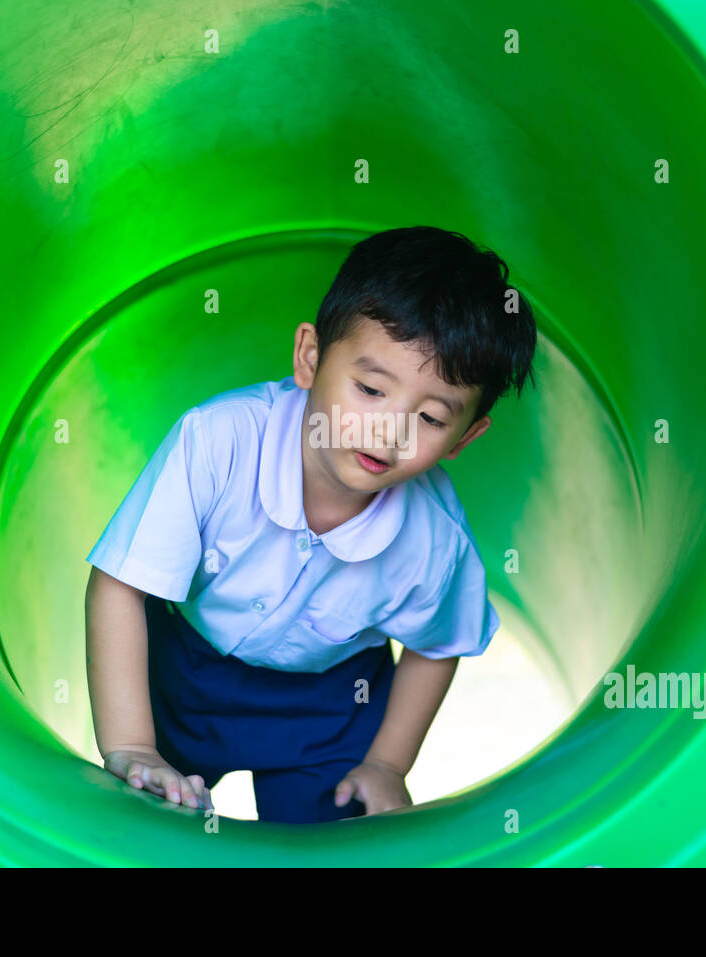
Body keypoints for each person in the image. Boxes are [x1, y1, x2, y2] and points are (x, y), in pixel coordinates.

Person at [84, 226, 537, 823]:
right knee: (149, 817)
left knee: (329, 842)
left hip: (330, 707)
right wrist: (133, 746)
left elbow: (436, 644)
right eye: (371, 389)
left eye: (429, 417)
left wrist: (387, 764)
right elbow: (120, 583)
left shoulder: (433, 536)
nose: (389, 431)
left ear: (466, 436)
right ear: (311, 357)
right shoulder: (218, 442)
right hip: (186, 672)